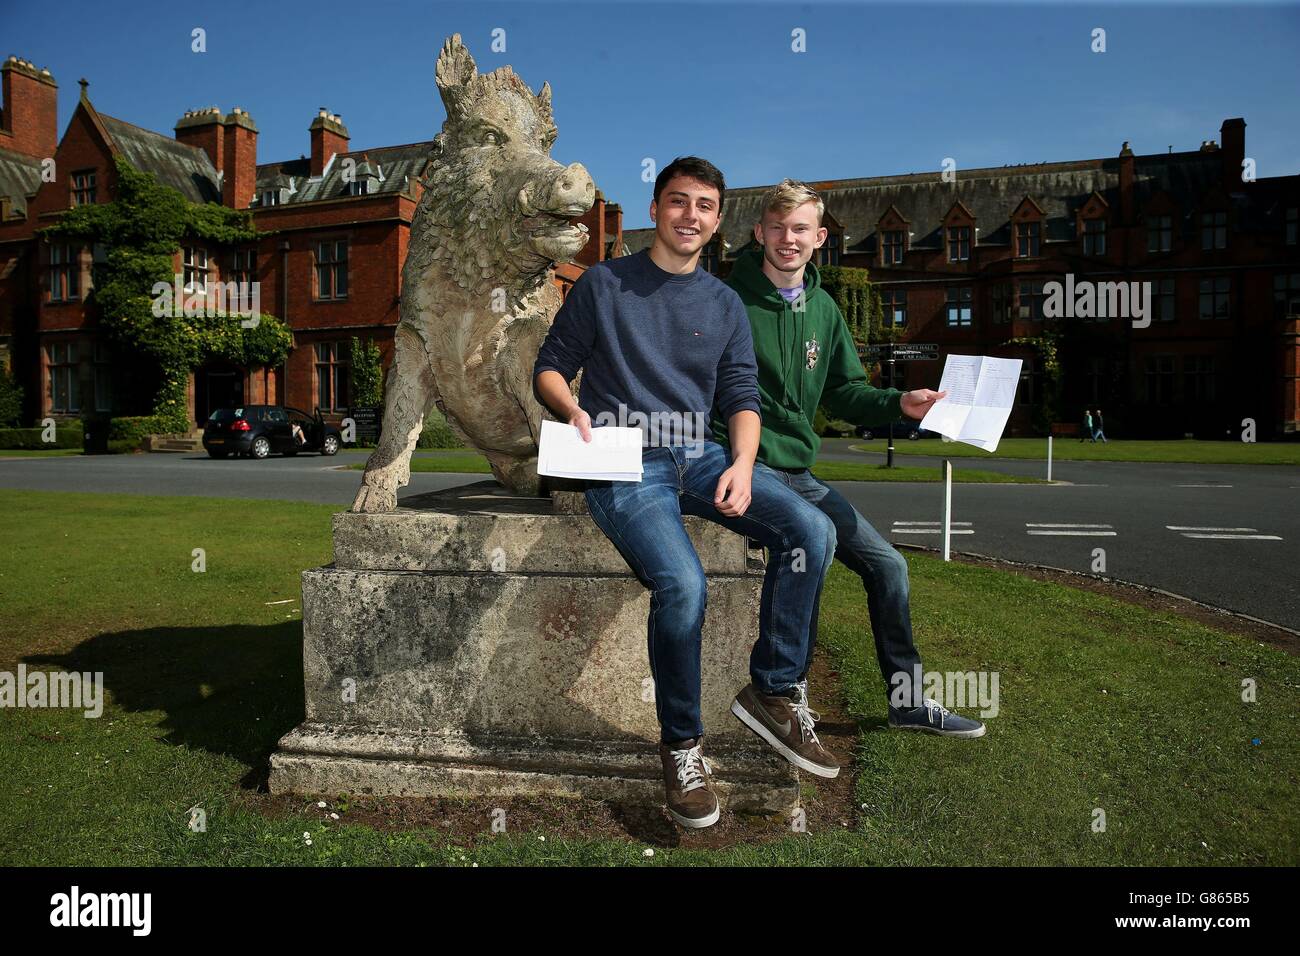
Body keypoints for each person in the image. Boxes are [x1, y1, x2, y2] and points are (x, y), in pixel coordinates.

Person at [532, 157, 841, 830]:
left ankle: (774, 692)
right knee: (685, 585)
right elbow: (551, 366)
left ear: (718, 220)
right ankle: (681, 749)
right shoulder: (605, 284)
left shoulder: (725, 303)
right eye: (678, 202)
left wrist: (743, 463)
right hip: (621, 459)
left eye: (704, 205)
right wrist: (571, 410)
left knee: (814, 532)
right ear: (655, 209)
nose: (690, 215)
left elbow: (739, 398)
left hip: (700, 455)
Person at [712, 179, 988, 738]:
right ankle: (787, 696)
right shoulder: (725, 300)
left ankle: (907, 702)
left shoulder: (826, 309)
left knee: (890, 565)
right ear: (760, 232)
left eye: (801, 230)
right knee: (808, 547)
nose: (788, 240)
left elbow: (844, 392)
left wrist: (900, 404)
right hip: (745, 465)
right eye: (778, 228)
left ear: (819, 239)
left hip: (799, 473)